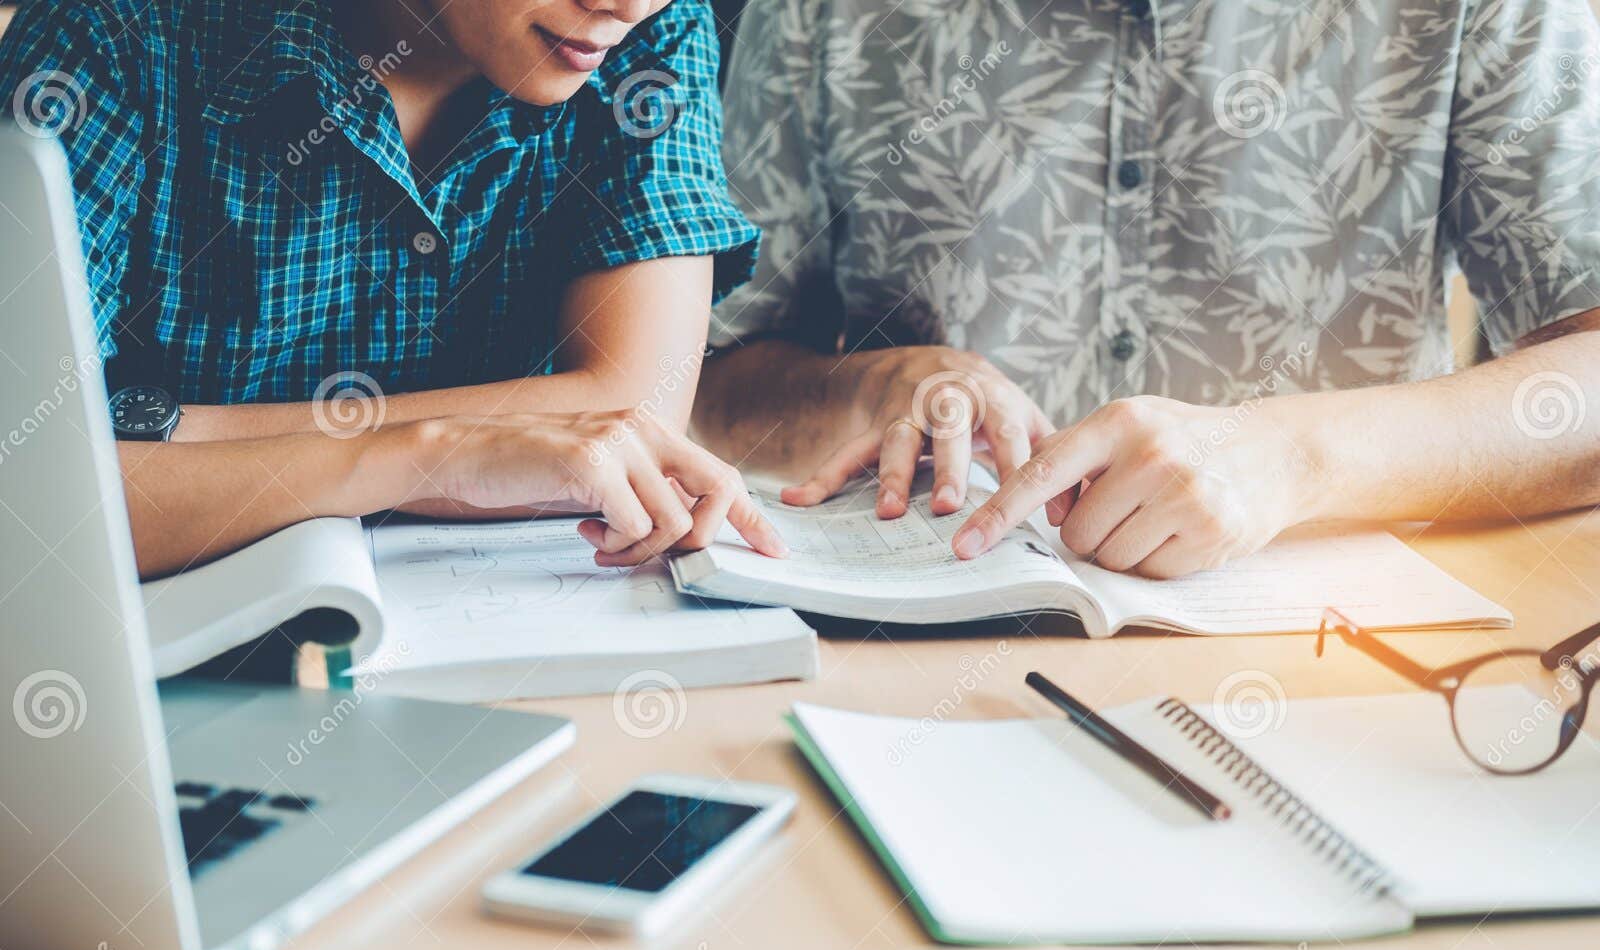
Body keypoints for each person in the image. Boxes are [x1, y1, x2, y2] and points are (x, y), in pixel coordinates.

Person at [697, 0, 1600, 578]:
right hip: (926, 623)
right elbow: (709, 380)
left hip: (1343, 641)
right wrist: (868, 388)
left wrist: (1292, 457)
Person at [0, 0, 785, 577]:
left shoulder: (650, 36)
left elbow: (633, 420)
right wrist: (425, 456)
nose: (624, 4)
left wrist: (173, 437)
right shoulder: (111, 36)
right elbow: (26, 499)